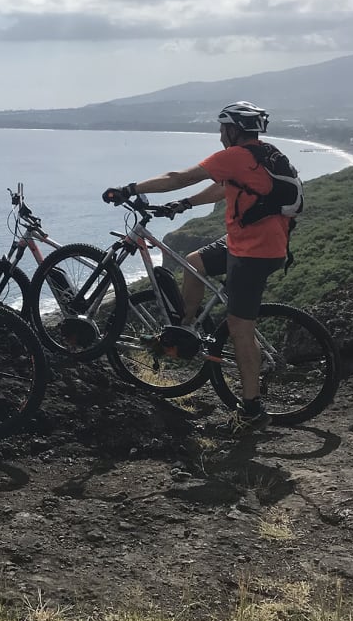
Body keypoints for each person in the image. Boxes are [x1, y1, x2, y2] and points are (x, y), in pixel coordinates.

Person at [104, 101, 289, 431]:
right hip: (253, 241)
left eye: (222, 128)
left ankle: (252, 410)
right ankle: (186, 328)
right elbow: (225, 186)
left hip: (254, 252)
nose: (219, 134)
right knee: (194, 263)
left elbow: (178, 177)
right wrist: (185, 204)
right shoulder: (265, 154)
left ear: (233, 130)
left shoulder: (236, 156)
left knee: (240, 328)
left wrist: (129, 189)